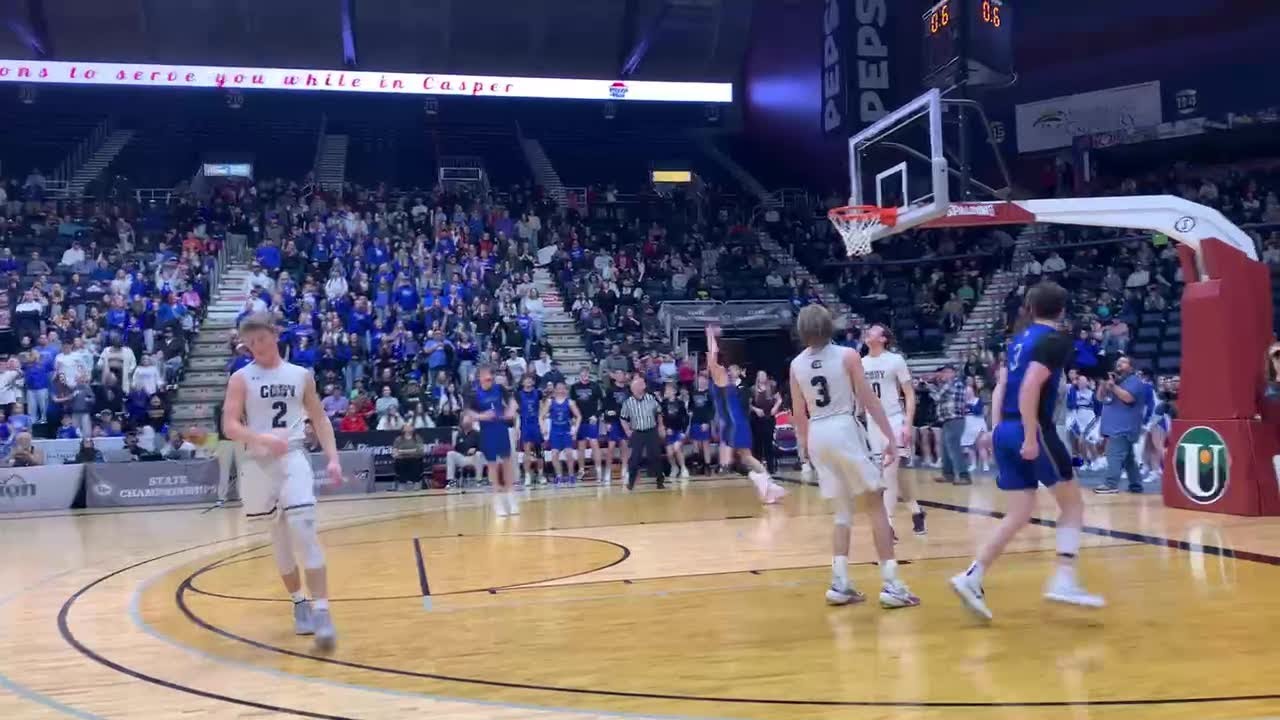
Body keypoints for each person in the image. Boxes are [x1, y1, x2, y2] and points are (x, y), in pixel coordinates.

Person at [949, 282, 1104, 621]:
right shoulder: (1055, 340)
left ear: (1031, 309)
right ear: (1062, 310)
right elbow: (1032, 385)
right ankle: (1064, 578)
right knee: (1073, 504)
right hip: (1030, 427)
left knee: (1019, 513)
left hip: (1004, 426)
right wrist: (1031, 435)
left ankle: (971, 576)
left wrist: (995, 428)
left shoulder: (1017, 341)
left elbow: (1003, 385)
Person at [221, 312, 344, 651]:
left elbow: (319, 419)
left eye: (262, 339)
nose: (257, 346)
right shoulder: (241, 378)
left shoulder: (300, 375)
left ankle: (322, 613)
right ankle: (299, 603)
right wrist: (259, 437)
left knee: (304, 527)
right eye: (251, 343)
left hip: (292, 457)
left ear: (274, 336)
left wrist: (333, 458)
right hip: (258, 464)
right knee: (281, 546)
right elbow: (229, 426)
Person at [788, 305, 919, 609]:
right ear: (828, 325)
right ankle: (892, 585)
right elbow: (868, 399)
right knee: (875, 505)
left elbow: (798, 413)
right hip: (843, 426)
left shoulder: (796, 364)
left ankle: (840, 582)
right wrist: (889, 435)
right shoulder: (847, 355)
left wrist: (806, 449)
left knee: (842, 512)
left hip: (818, 432)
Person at [706, 326, 785, 504]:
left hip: (734, 424)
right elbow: (712, 356)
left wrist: (710, 336)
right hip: (731, 423)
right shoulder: (720, 377)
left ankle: (769, 485)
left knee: (742, 458)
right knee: (738, 460)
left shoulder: (720, 374)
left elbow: (712, 355)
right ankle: (766, 486)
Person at [861, 324, 924, 536]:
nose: (867, 332)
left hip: (894, 420)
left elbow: (909, 394)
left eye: (873, 331)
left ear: (884, 338)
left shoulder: (895, 360)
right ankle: (916, 510)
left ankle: (887, 525)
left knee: (888, 474)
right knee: (895, 475)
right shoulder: (861, 363)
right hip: (872, 422)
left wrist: (907, 423)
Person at [464, 365, 519, 516]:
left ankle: (511, 497)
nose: (489, 379)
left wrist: (510, 411)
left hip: (501, 429)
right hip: (487, 432)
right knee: (492, 466)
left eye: (491, 376)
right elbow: (468, 414)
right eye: (486, 376)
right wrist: (482, 416)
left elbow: (513, 402)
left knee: (507, 464)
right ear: (480, 377)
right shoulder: (474, 394)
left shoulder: (500, 388)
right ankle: (497, 502)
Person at [1094, 355, 1148, 494]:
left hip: (1124, 427)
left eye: (1123, 362)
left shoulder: (1135, 381)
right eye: (1118, 362)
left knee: (1114, 455)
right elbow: (1100, 398)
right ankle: (1136, 485)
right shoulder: (1115, 381)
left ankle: (1111, 484)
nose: (1119, 364)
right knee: (1129, 459)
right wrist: (1103, 384)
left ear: (1131, 367)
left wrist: (1113, 386)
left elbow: (1128, 398)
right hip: (1114, 427)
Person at [619, 374, 666, 490]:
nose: (643, 386)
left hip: (651, 431)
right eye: (640, 384)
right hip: (638, 433)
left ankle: (660, 480)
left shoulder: (651, 398)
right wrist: (627, 430)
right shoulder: (628, 402)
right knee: (634, 459)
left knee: (655, 456)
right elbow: (622, 418)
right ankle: (631, 483)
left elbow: (659, 412)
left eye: (643, 384)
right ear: (634, 389)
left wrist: (660, 426)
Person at [933, 365, 971, 485]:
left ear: (952, 373)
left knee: (954, 448)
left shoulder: (955, 384)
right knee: (945, 448)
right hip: (947, 420)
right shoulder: (949, 384)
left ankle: (964, 476)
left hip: (955, 419)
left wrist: (930, 385)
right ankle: (948, 474)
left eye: (945, 372)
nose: (943, 375)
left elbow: (937, 397)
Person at [541, 381, 581, 483]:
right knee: (554, 454)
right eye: (558, 388)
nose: (560, 390)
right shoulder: (550, 402)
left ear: (565, 389)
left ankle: (571, 475)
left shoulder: (570, 402)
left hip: (566, 431)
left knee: (569, 453)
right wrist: (543, 428)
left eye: (563, 388)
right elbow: (541, 416)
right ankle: (559, 475)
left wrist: (575, 429)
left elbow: (579, 416)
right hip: (555, 432)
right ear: (555, 390)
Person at [570, 367, 603, 482]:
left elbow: (602, 403)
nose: (585, 375)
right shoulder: (574, 387)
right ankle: (581, 470)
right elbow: (571, 404)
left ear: (589, 374)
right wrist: (573, 418)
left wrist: (597, 415)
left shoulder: (595, 386)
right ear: (580, 374)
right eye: (583, 373)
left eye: (587, 373)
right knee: (581, 446)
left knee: (594, 443)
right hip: (580, 420)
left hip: (592, 419)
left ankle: (599, 471)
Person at [601, 369, 632, 484]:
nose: (620, 376)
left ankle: (625, 470)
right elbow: (605, 407)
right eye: (617, 374)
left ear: (624, 376)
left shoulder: (628, 390)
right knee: (611, 447)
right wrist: (607, 422)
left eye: (621, 374)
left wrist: (630, 422)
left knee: (625, 446)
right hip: (613, 421)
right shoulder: (610, 390)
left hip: (625, 421)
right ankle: (608, 472)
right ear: (614, 377)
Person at [515, 374, 544, 485]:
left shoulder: (538, 393)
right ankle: (527, 475)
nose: (528, 382)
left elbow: (541, 411)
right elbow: (517, 414)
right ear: (522, 383)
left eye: (530, 380)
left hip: (536, 425)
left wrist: (542, 425)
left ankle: (541, 475)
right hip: (525, 425)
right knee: (527, 451)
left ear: (533, 382)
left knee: (539, 452)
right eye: (526, 380)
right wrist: (517, 428)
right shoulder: (519, 395)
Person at [687, 374, 716, 473]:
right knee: (695, 444)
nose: (702, 382)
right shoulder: (693, 393)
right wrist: (690, 411)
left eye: (704, 380)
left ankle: (707, 466)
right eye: (700, 380)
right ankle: (696, 464)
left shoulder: (709, 394)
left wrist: (707, 423)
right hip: (695, 421)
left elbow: (711, 410)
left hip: (705, 423)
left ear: (706, 381)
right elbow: (690, 406)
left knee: (705, 444)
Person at [660, 383, 690, 479]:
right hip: (668, 432)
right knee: (669, 453)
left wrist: (683, 432)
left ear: (674, 391)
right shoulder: (663, 403)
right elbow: (661, 417)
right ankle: (674, 467)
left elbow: (685, 418)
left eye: (669, 390)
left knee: (677, 449)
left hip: (678, 431)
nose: (667, 391)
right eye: (666, 390)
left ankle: (683, 468)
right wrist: (664, 428)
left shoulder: (680, 403)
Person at [445, 422, 486, 487]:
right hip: (462, 457)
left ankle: (479, 481)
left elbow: (483, 446)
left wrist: (475, 449)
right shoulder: (459, 434)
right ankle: (451, 482)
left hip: (473, 457)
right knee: (450, 454)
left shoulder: (477, 434)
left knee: (479, 454)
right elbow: (456, 448)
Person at [391, 423, 425, 489]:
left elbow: (420, 451)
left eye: (410, 426)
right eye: (406, 426)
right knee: (400, 463)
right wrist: (412, 451)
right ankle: (402, 485)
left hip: (415, 459)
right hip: (402, 460)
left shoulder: (417, 438)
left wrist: (401, 451)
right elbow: (395, 453)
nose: (408, 427)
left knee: (416, 463)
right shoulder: (398, 439)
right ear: (403, 429)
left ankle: (416, 485)